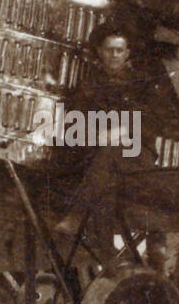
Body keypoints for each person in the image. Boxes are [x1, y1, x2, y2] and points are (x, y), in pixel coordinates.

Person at [54, 23, 157, 268]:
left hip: (137, 154)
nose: (114, 55)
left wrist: (119, 132)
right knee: (104, 187)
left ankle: (77, 215)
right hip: (103, 156)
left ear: (127, 53)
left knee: (107, 156)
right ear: (100, 52)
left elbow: (151, 121)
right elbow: (74, 124)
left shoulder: (141, 85)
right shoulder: (89, 86)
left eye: (119, 50)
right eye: (109, 50)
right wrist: (95, 136)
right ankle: (108, 259)